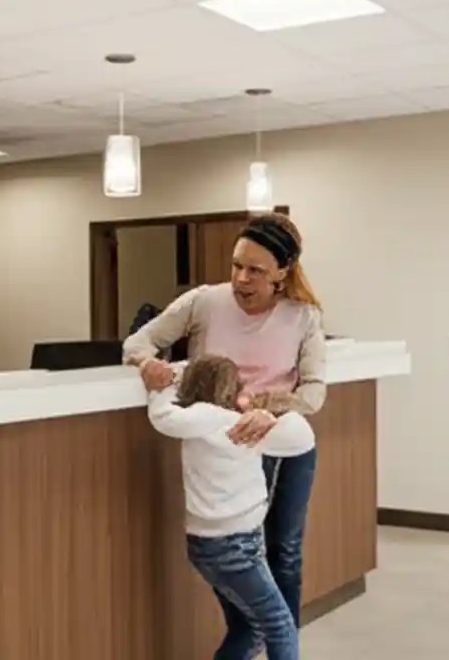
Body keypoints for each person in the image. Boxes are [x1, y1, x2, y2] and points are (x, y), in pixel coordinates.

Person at [123, 213, 326, 634]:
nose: (241, 279)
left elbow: (313, 393)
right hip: (224, 449)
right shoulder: (204, 302)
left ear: (282, 273)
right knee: (242, 563)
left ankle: (282, 647)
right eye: (236, 265)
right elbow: (139, 341)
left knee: (284, 551)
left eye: (256, 270)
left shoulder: (303, 317)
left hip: (281, 445)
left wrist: (264, 404)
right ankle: (253, 640)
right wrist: (149, 364)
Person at [148, 355, 314, 660]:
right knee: (279, 624)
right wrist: (270, 416)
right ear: (233, 389)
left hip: (203, 545)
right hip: (238, 545)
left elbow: (160, 416)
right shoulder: (240, 425)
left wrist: (164, 385)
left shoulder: (192, 421)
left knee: (253, 628)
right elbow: (303, 438)